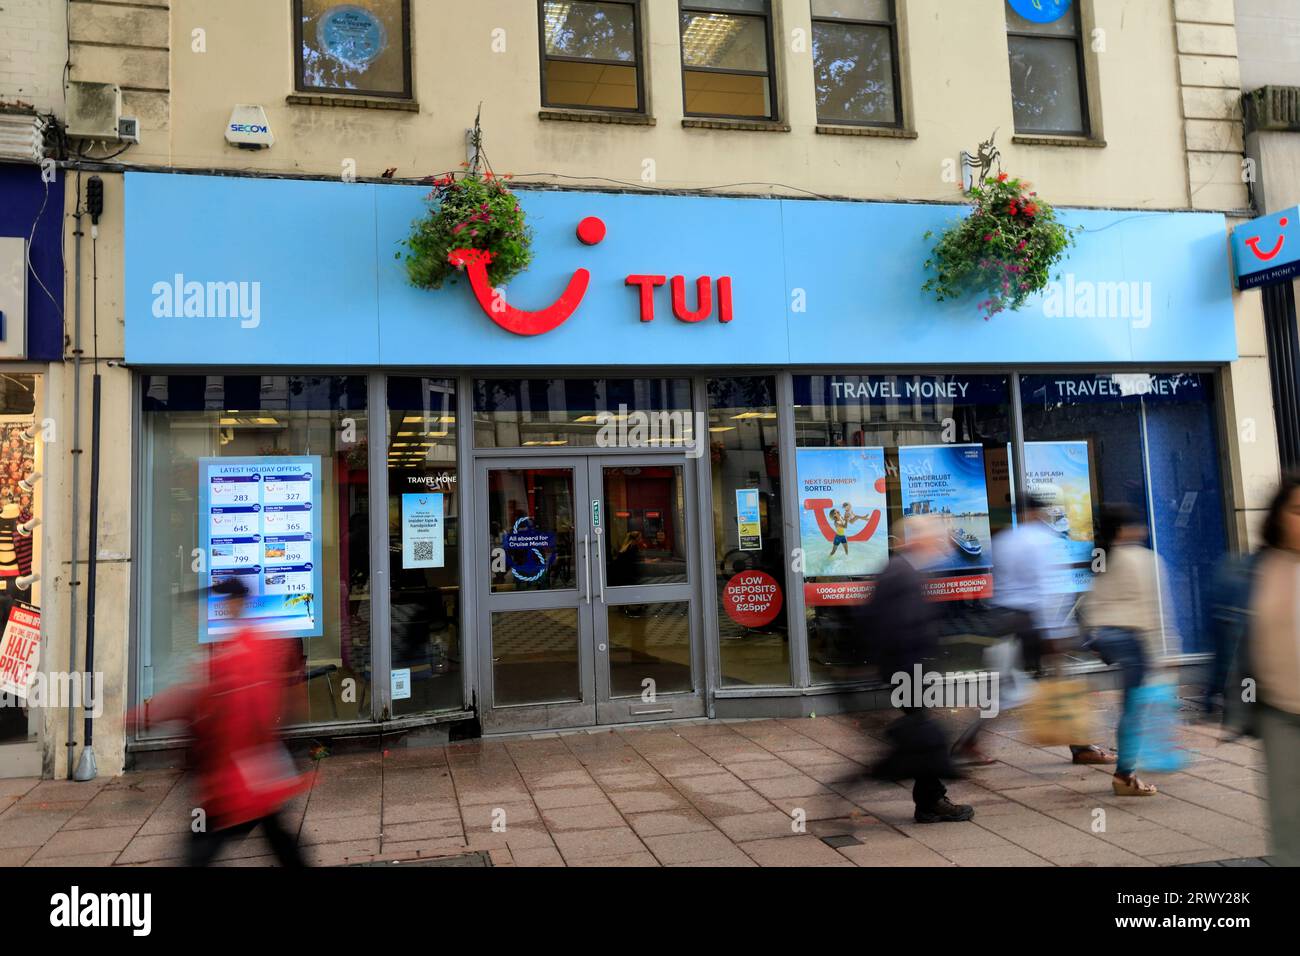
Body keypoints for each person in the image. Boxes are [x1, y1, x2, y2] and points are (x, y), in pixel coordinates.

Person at [134, 577, 309, 866]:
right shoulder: (242, 644)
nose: (213, 608)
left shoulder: (240, 649)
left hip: (241, 768)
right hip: (255, 765)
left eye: (221, 601)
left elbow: (218, 704)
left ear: (234, 603)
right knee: (275, 833)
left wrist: (148, 716)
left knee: (210, 837)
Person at [964, 493, 1116, 768]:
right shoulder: (1044, 541)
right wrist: (1056, 634)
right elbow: (1049, 591)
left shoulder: (1004, 540)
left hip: (1007, 622)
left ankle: (970, 742)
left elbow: (998, 585)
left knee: (1013, 688)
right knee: (1047, 685)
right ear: (1036, 512)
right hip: (1034, 626)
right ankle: (1080, 746)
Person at [861, 515, 975, 824]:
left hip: (907, 669)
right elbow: (895, 630)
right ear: (916, 540)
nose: (940, 544)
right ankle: (929, 800)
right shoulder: (902, 575)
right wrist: (913, 671)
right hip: (906, 671)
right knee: (925, 737)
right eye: (935, 538)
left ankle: (929, 797)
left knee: (924, 735)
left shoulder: (904, 570)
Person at [1080, 504, 1170, 796]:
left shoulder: (1101, 557)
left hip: (1106, 636)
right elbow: (1154, 609)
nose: (1141, 529)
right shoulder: (1144, 559)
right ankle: (1125, 775)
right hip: (1134, 637)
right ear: (1124, 529)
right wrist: (1162, 650)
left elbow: (1089, 602)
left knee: (1130, 703)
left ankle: (1123, 765)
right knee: (1134, 707)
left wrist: (1095, 640)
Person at [1248, 474, 1300, 865]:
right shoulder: (1256, 570)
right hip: (1280, 712)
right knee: (1287, 821)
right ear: (1279, 516)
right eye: (1298, 510)